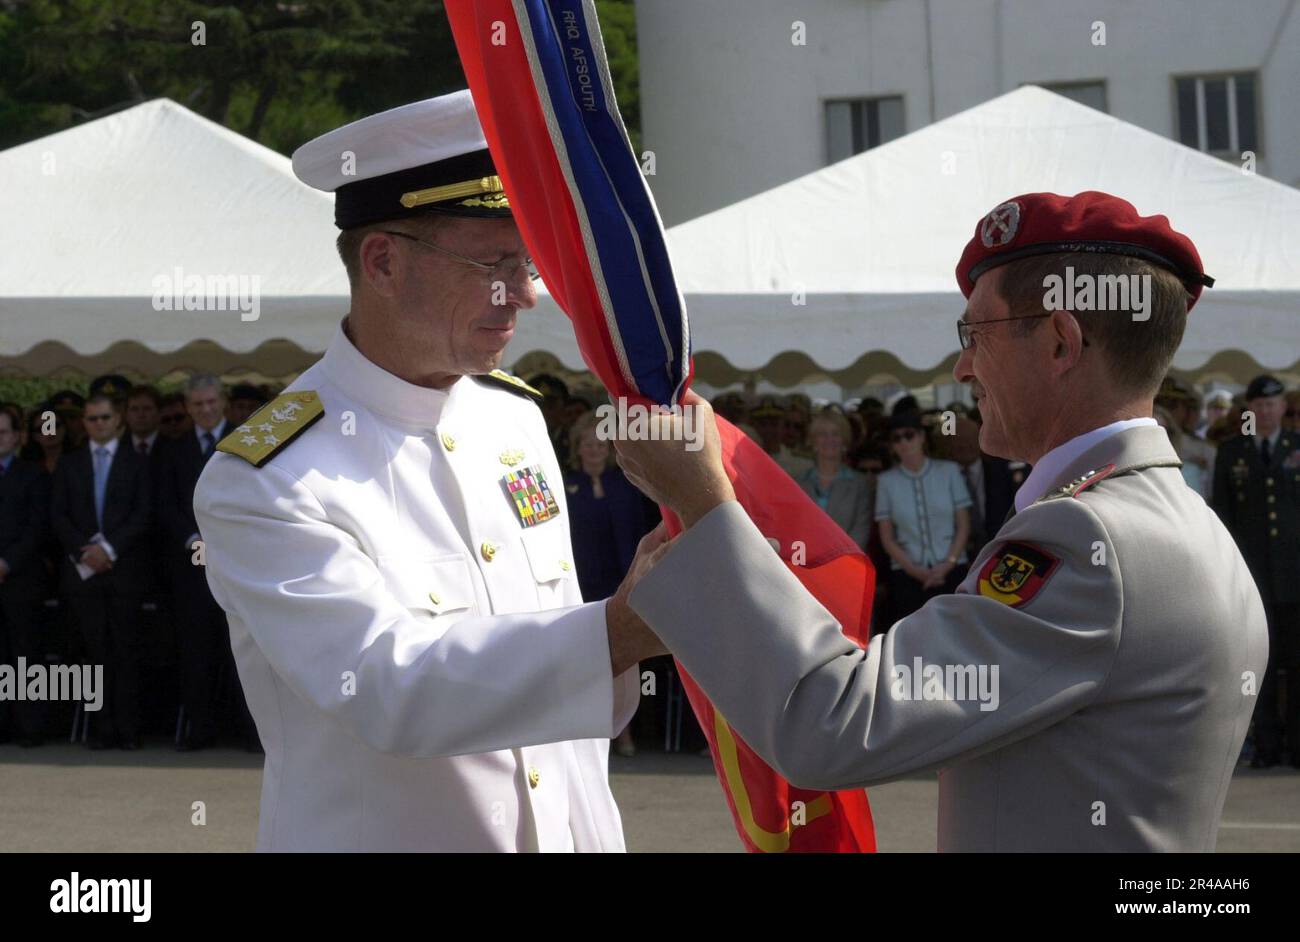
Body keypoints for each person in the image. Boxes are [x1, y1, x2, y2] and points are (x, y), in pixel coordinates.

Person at [606, 191, 1268, 851]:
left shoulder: (1087, 541)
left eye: (975, 334)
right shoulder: (1185, 524)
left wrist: (703, 503)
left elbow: (831, 721)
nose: (961, 368)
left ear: (1061, 342)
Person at [193, 92, 638, 852]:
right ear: (384, 261)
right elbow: (384, 686)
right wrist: (625, 630)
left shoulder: (516, 422)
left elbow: (567, 749)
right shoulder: (267, 480)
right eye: (495, 262)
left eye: (527, 260)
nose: (527, 293)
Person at [49, 394, 152, 750]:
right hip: (84, 574)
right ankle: (102, 729)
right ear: (84, 422)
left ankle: (129, 729)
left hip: (124, 572)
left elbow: (144, 513)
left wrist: (108, 549)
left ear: (118, 419)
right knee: (93, 654)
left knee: (126, 651)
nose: (99, 424)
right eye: (92, 419)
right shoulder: (70, 463)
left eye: (105, 417)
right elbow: (58, 515)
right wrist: (86, 551)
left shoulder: (138, 462)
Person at [158, 375, 254, 751]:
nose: (205, 409)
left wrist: (226, 542)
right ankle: (200, 730)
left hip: (238, 567)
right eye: (197, 405)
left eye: (211, 402)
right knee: (196, 654)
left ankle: (249, 733)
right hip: (191, 569)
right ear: (187, 407)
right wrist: (194, 540)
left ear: (223, 400)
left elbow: (255, 498)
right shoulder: (172, 448)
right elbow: (165, 504)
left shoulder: (247, 441)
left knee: (241, 652)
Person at [1213, 374, 1298, 768]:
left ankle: (1295, 745)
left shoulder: (1297, 447)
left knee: (1296, 664)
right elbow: (1224, 516)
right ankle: (1265, 746)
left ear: (1283, 406)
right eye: (1259, 404)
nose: (1266, 411)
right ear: (1249, 408)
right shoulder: (1233, 453)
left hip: (1295, 575)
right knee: (1258, 665)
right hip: (1254, 579)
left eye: (1273, 403)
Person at [563, 411, 660, 758]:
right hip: (584, 583)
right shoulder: (566, 485)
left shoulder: (627, 486)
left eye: (601, 444)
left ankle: (627, 731)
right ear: (578, 448)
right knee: (590, 658)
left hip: (621, 581)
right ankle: (595, 731)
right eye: (588, 444)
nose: (594, 450)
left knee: (625, 656)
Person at [873, 412, 971, 623]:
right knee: (914, 643)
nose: (904, 442)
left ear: (922, 437)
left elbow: (963, 524)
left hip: (952, 569)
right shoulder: (886, 481)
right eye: (896, 438)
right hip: (907, 575)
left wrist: (948, 563)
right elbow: (887, 537)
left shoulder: (949, 471)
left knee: (957, 635)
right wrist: (915, 570)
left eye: (909, 435)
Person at [0, 408, 50, 747]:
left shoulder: (33, 474)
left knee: (24, 656)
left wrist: (6, 563)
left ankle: (30, 727)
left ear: (18, 437)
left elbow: (38, 527)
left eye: (3, 432)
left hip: (19, 579)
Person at [797, 409, 871, 549]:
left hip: (847, 562)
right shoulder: (798, 482)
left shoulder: (859, 484)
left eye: (835, 434)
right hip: (806, 562)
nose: (829, 439)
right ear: (813, 442)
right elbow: (794, 528)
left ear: (844, 441)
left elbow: (860, 531)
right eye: (822, 434)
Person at [124, 386, 164, 459]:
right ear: (126, 415)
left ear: (159, 413)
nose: (141, 415)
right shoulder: (116, 449)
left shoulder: (175, 448)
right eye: (134, 409)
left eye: (147, 409)